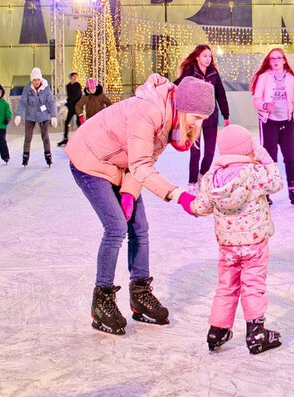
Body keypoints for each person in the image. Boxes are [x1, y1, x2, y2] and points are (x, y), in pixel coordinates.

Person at [65, 73, 216, 335]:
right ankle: (102, 299)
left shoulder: (170, 120)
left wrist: (128, 193)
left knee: (140, 226)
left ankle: (140, 293)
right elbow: (141, 166)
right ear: (182, 107)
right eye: (196, 116)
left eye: (203, 119)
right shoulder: (149, 111)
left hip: (119, 165)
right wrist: (179, 195)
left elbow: (143, 160)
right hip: (90, 158)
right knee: (115, 227)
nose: (197, 124)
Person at [189, 124, 285, 354]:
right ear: (248, 150)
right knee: (253, 285)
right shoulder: (255, 174)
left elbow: (200, 206)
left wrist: (189, 203)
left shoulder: (211, 179)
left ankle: (218, 330)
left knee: (226, 286)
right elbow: (276, 182)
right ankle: (256, 333)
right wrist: (265, 158)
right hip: (254, 245)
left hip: (228, 246)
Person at [251, 48, 294, 206]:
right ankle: (267, 193)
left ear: (284, 60)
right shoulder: (263, 78)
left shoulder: (291, 79)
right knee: (270, 159)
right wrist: (265, 105)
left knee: (290, 158)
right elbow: (256, 100)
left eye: (278, 58)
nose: (275, 61)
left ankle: (293, 192)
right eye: (272, 58)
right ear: (269, 61)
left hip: (287, 122)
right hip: (268, 122)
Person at [174, 44, 231, 188]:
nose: (208, 59)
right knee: (195, 153)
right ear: (197, 57)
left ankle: (202, 176)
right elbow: (177, 86)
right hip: (194, 120)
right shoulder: (190, 73)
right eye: (204, 56)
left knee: (210, 153)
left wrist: (226, 115)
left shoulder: (213, 73)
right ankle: (192, 183)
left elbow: (220, 94)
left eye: (209, 56)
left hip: (211, 118)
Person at [14, 66, 58, 167]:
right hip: (30, 115)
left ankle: (48, 155)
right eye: (34, 80)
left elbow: (50, 102)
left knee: (45, 136)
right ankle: (25, 156)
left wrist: (53, 116)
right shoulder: (27, 88)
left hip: (43, 116)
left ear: (41, 79)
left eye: (38, 79)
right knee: (28, 137)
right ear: (31, 80)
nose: (37, 82)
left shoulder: (46, 88)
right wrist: (18, 115)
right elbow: (22, 102)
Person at [57, 71, 83, 147]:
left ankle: (81, 137)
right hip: (71, 107)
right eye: (73, 76)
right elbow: (70, 97)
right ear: (71, 77)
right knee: (67, 122)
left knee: (79, 122)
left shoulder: (78, 85)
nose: (75, 78)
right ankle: (65, 138)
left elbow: (77, 96)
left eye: (76, 76)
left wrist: (67, 103)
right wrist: (65, 103)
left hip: (77, 107)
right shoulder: (68, 86)